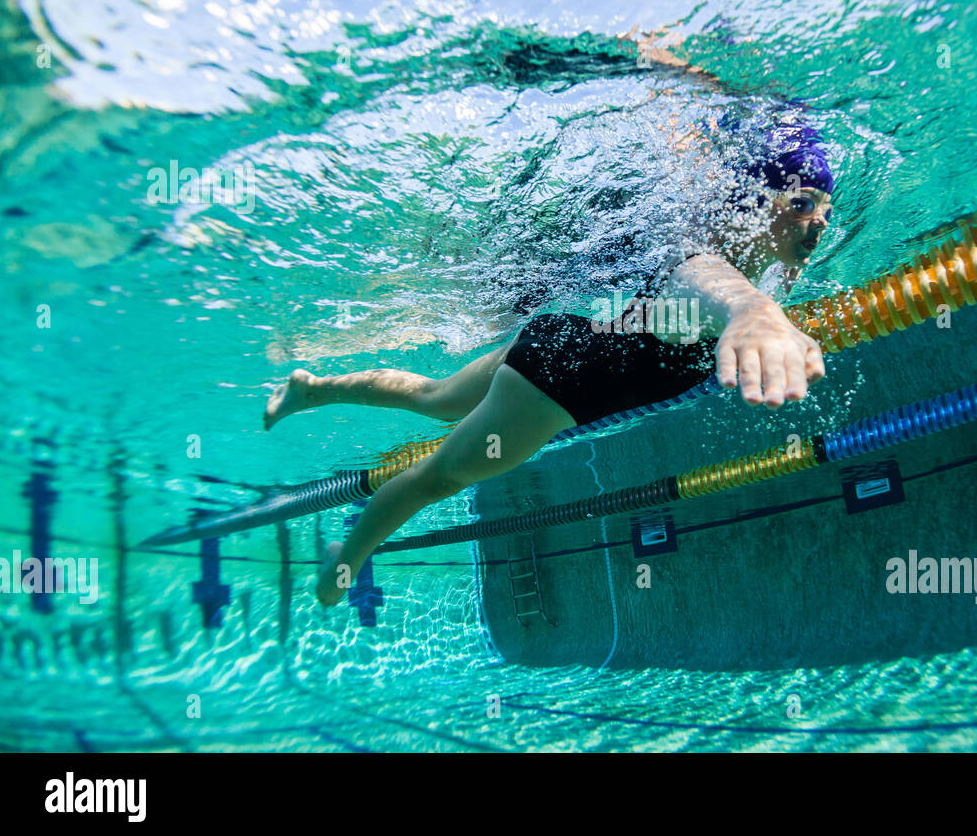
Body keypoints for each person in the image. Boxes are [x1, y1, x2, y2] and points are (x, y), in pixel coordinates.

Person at [263, 43, 837, 607]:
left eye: (826, 212)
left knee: (435, 396)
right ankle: (346, 559)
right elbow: (697, 277)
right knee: (436, 477)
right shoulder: (717, 262)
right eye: (803, 203)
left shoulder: (769, 269)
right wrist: (753, 312)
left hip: (561, 341)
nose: (818, 225)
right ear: (754, 200)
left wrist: (760, 308)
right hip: (561, 384)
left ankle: (314, 388)